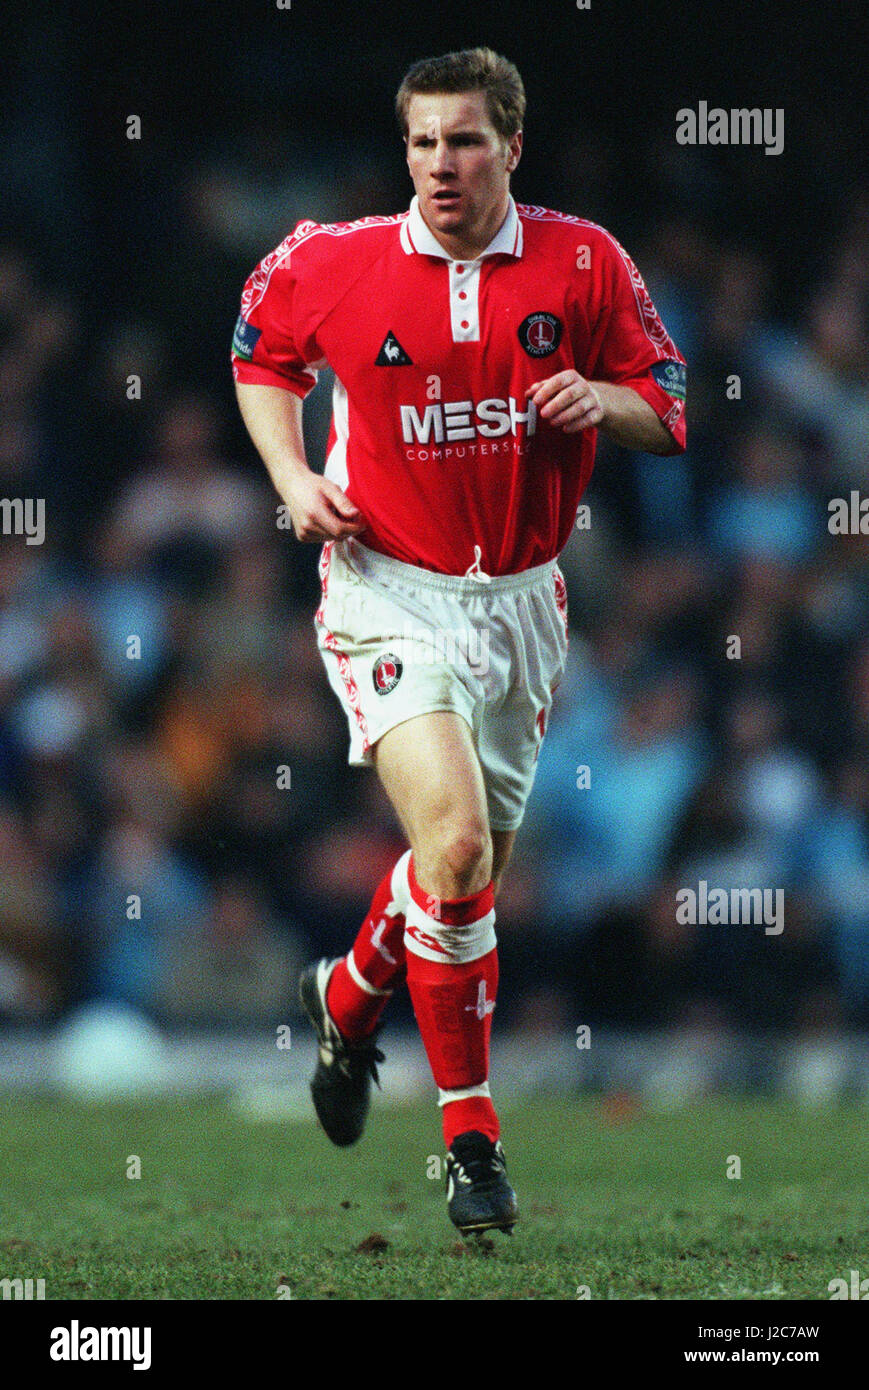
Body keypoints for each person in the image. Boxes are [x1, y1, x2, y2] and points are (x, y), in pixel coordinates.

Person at [232, 47, 686, 1236]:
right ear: (405, 153)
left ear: (512, 148)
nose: (443, 163)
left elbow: (668, 404)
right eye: (424, 142)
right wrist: (291, 476)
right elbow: (257, 350)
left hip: (522, 605)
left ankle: (346, 993)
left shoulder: (583, 261)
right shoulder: (334, 262)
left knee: (458, 873)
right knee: (454, 840)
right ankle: (471, 1144)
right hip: (387, 590)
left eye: (467, 140)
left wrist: (605, 401)